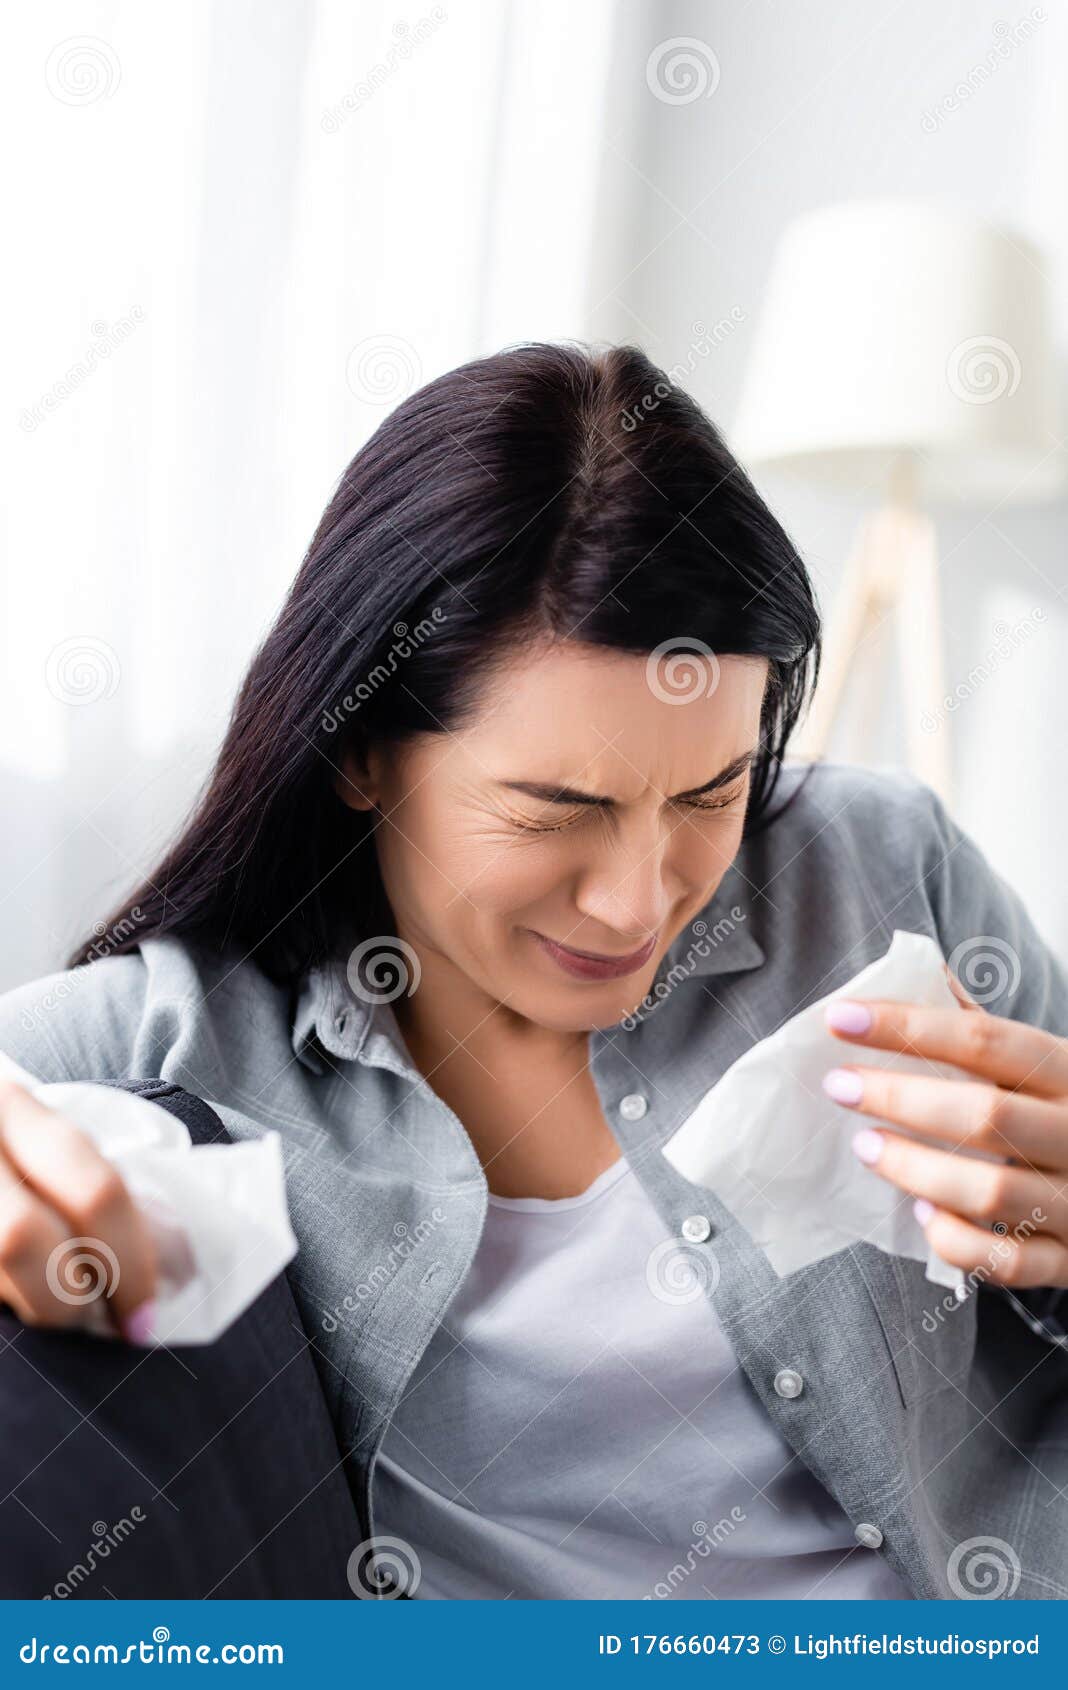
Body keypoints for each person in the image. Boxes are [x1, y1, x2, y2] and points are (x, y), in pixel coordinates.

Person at [1, 342, 1066, 1601]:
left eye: (713, 790)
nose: (638, 898)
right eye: (554, 808)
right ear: (361, 753)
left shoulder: (880, 871)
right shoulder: (172, 1046)